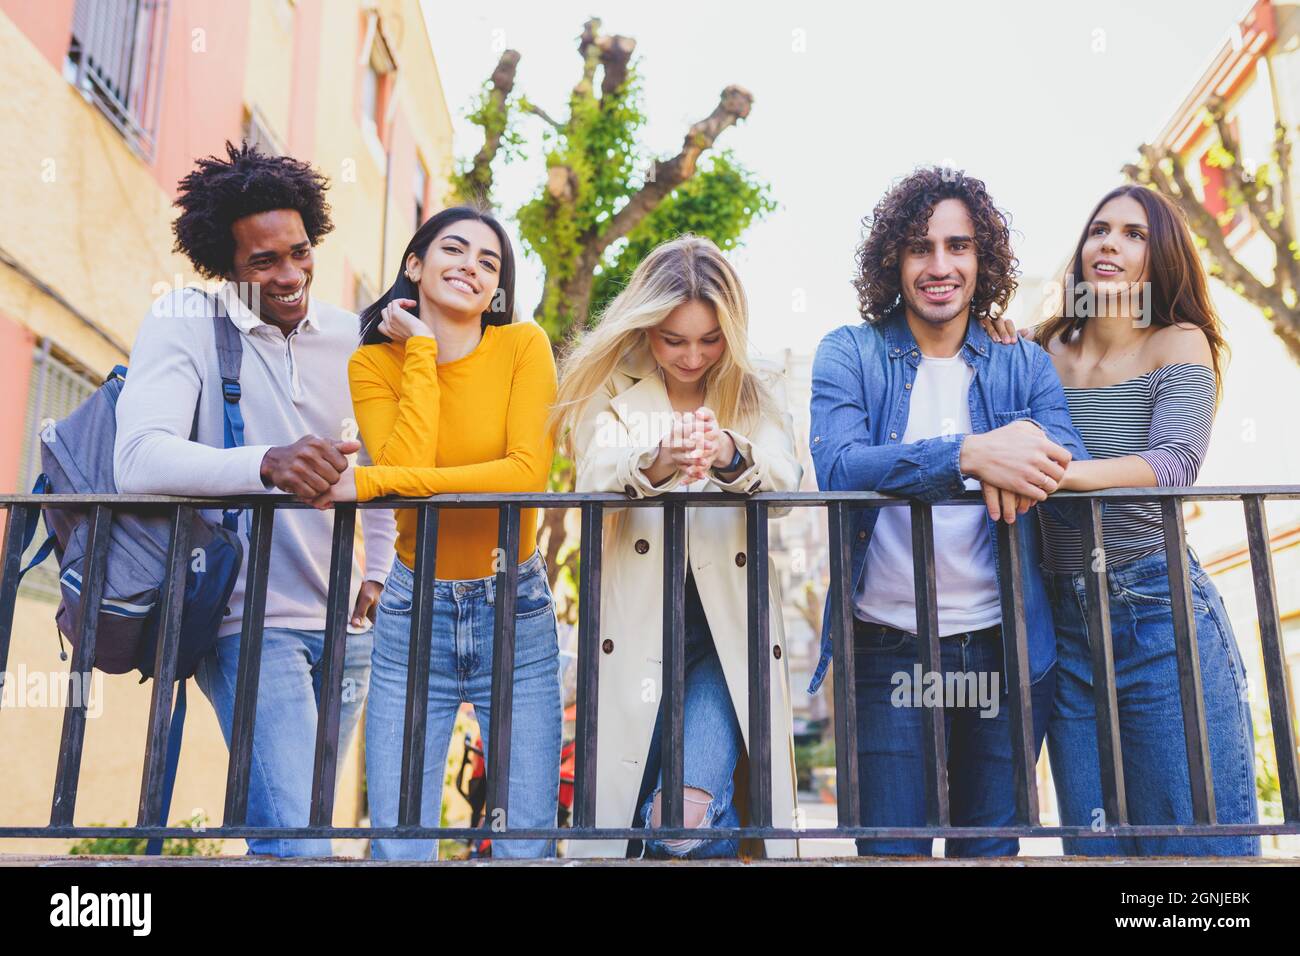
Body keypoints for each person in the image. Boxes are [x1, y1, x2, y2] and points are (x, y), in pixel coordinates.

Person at [114, 141, 397, 857]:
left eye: (301, 252)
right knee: (303, 846)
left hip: (347, 627)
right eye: (263, 262)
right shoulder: (188, 321)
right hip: (247, 620)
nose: (291, 274)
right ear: (224, 266)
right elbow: (138, 460)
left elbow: (388, 458)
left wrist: (381, 567)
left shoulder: (349, 337)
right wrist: (264, 463)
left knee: (288, 840)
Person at [809, 166, 1090, 857]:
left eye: (958, 247)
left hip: (1005, 648)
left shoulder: (1018, 360)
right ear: (893, 261)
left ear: (981, 258)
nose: (940, 266)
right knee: (893, 853)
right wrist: (968, 454)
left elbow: (1066, 456)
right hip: (886, 650)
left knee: (988, 852)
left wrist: (1017, 454)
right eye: (920, 248)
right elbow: (841, 465)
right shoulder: (850, 353)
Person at [982, 185, 1259, 856]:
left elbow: (1174, 463)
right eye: (1100, 229)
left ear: (1159, 258)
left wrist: (1059, 473)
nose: (1109, 242)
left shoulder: (1179, 342)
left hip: (1158, 614)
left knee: (1196, 846)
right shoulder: (1042, 349)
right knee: (1096, 849)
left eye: (1134, 234)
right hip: (1066, 623)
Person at [315, 206, 561, 860]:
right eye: (455, 250)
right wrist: (420, 351)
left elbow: (525, 475)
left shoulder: (524, 347)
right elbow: (406, 465)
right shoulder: (375, 364)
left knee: (525, 844)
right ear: (415, 265)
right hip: (411, 608)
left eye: (489, 262)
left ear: (498, 288)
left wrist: (370, 483)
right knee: (400, 843)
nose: (471, 267)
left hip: (516, 610)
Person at [547, 235, 803, 859]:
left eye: (710, 339)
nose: (693, 356)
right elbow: (592, 475)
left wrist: (728, 454)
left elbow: (790, 481)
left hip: (727, 637)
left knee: (683, 815)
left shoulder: (757, 384)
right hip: (638, 633)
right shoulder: (611, 383)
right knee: (635, 819)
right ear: (646, 326)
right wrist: (656, 462)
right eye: (674, 339)